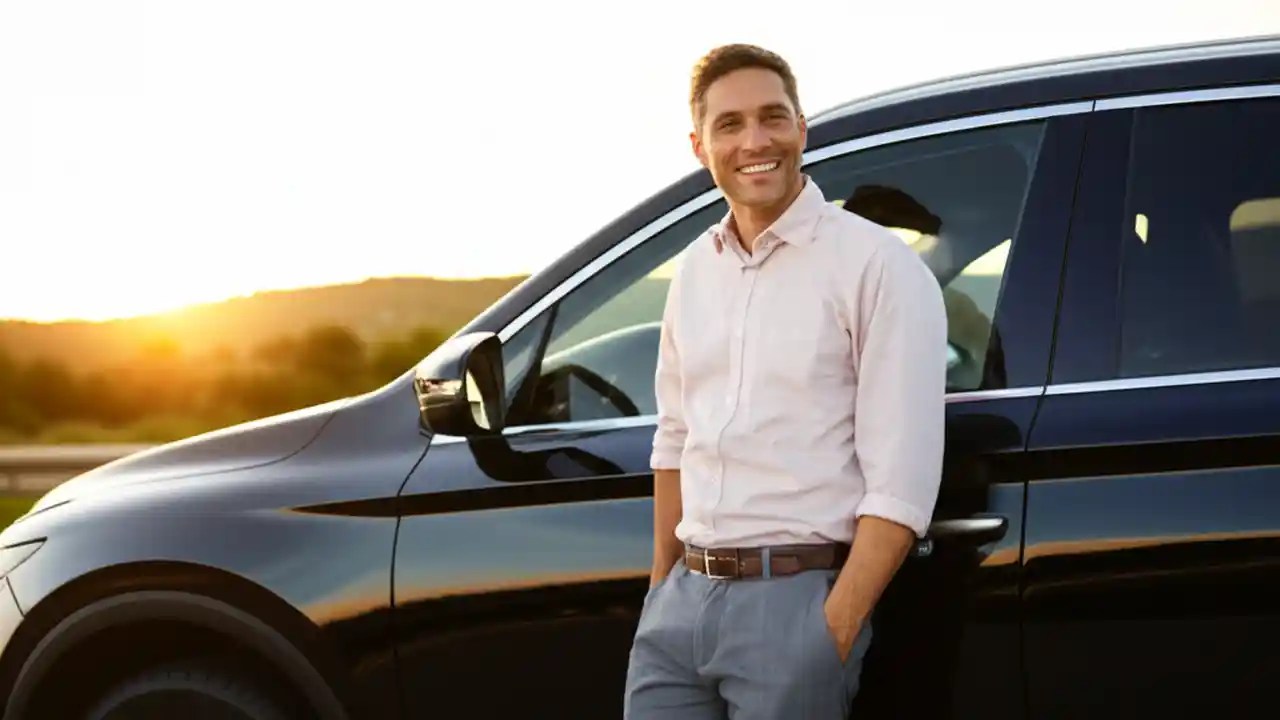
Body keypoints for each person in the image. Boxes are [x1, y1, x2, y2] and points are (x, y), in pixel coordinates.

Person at [623, 43, 948, 719]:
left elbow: (903, 487)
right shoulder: (693, 273)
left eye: (773, 118)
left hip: (795, 605)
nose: (755, 141)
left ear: (802, 127)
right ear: (699, 145)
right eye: (730, 125)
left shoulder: (877, 266)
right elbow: (674, 441)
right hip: (679, 615)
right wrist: (661, 588)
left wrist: (829, 633)